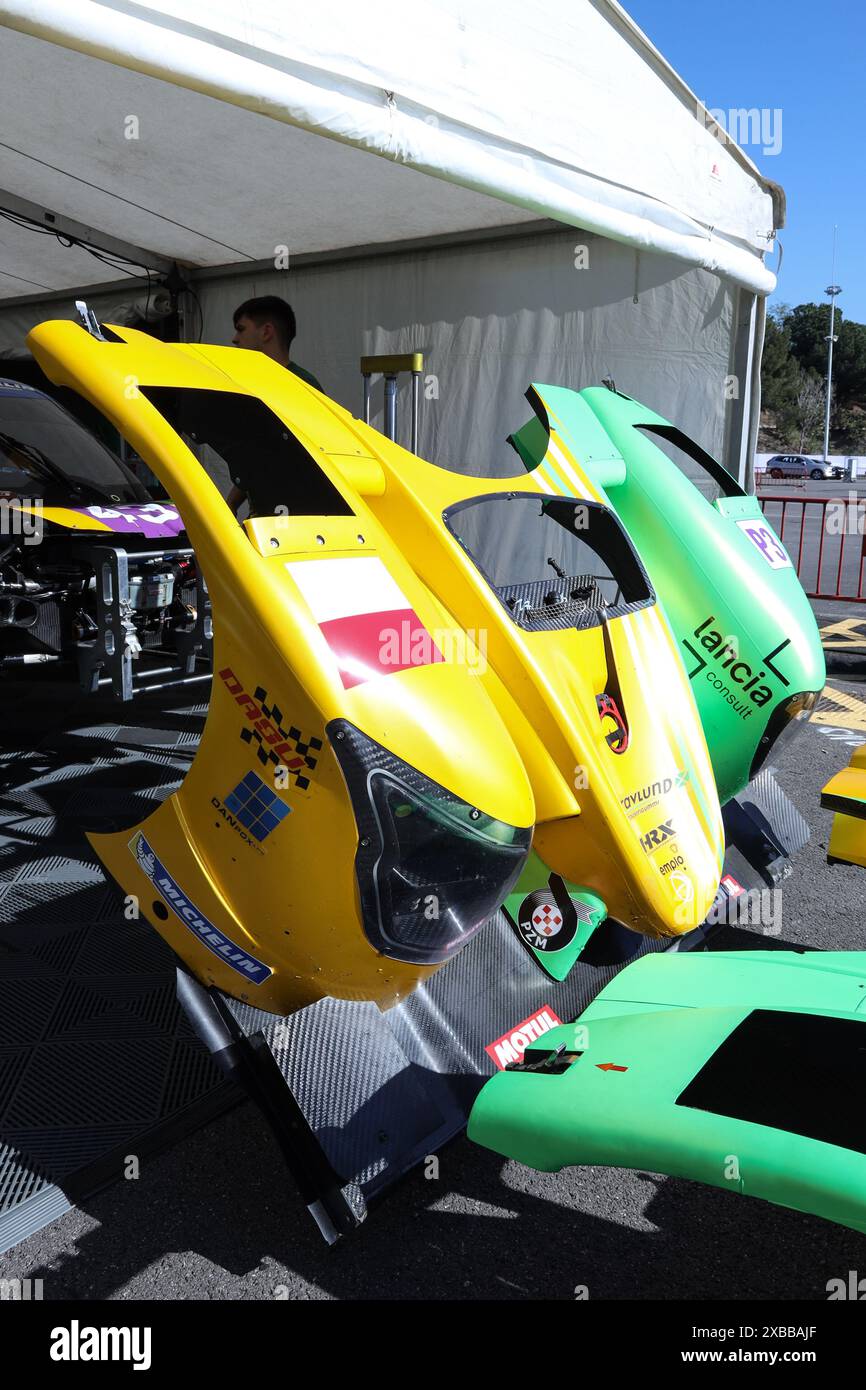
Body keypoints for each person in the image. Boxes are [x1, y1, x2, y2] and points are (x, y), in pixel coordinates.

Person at [227, 296, 323, 514]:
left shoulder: (302, 386)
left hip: (297, 521)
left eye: (241, 329)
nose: (234, 339)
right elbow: (258, 458)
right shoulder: (255, 386)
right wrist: (231, 503)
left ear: (266, 332)